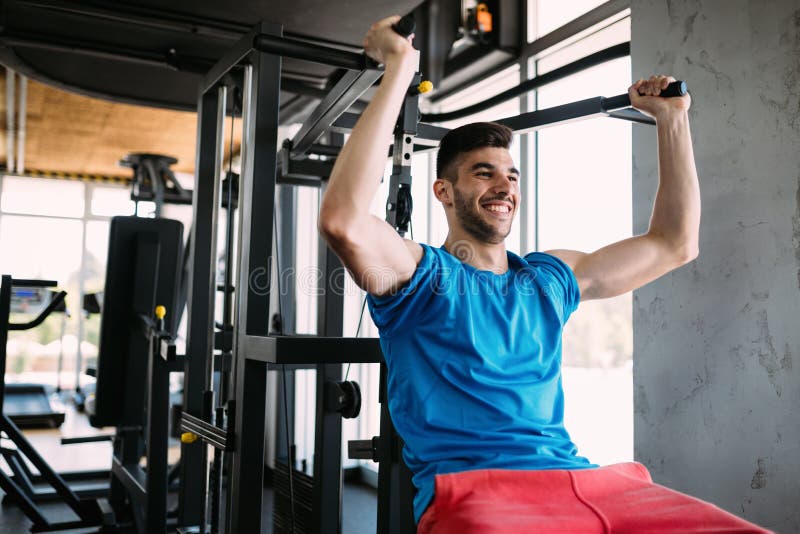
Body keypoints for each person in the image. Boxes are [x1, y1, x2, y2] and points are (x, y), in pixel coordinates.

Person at [319, 15, 769, 534]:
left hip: (578, 482)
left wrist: (672, 120)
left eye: (511, 175)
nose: (503, 186)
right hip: (476, 491)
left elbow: (674, 244)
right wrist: (399, 68)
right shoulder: (418, 276)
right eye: (482, 173)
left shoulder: (547, 279)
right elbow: (342, 220)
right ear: (443, 191)